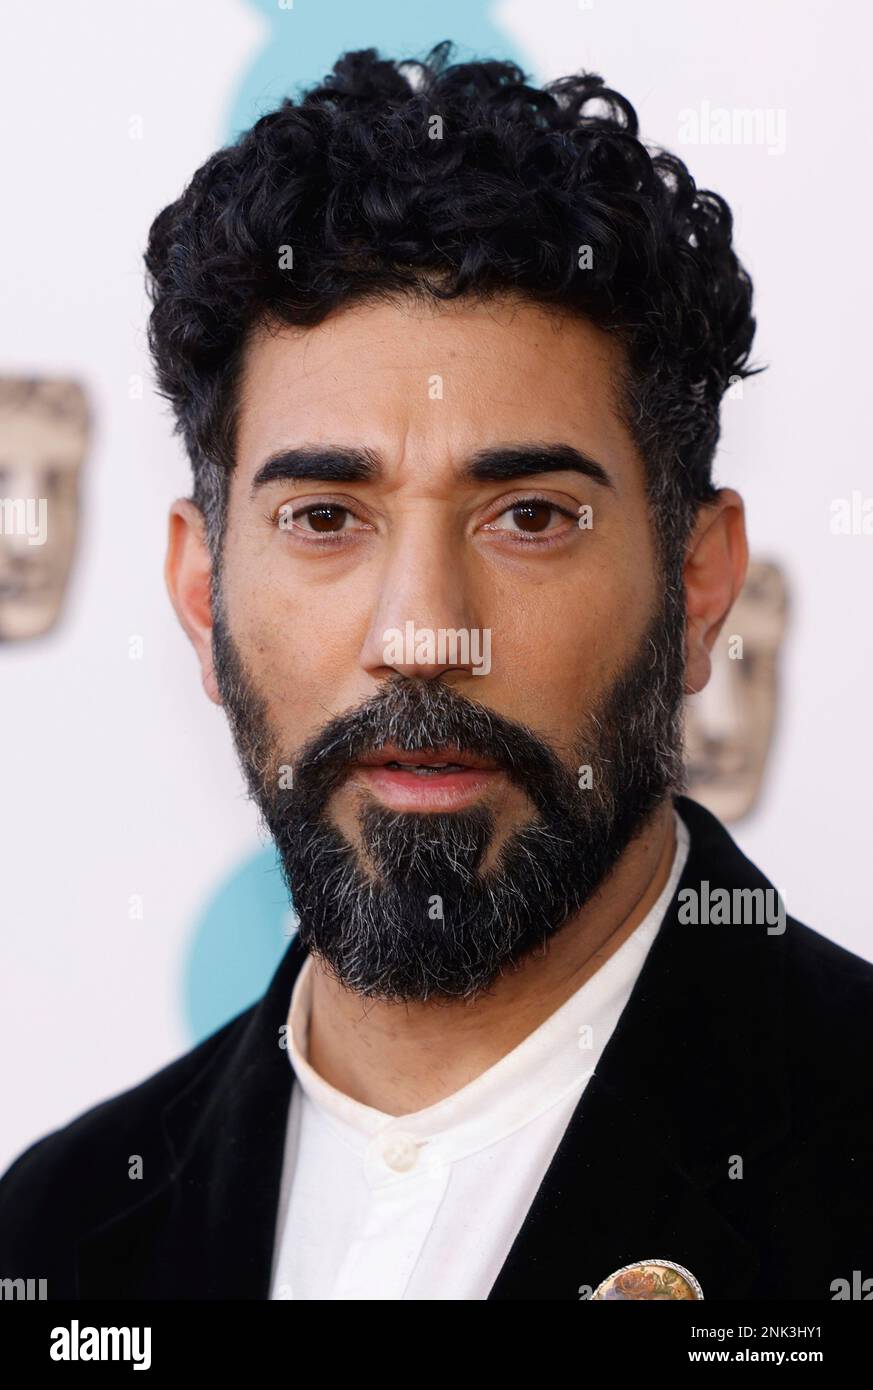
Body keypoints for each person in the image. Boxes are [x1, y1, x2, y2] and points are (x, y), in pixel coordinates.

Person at [1, 41, 871, 1302]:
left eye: (527, 516)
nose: (421, 633)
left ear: (699, 584)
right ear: (202, 595)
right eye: (323, 518)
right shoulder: (54, 1235)